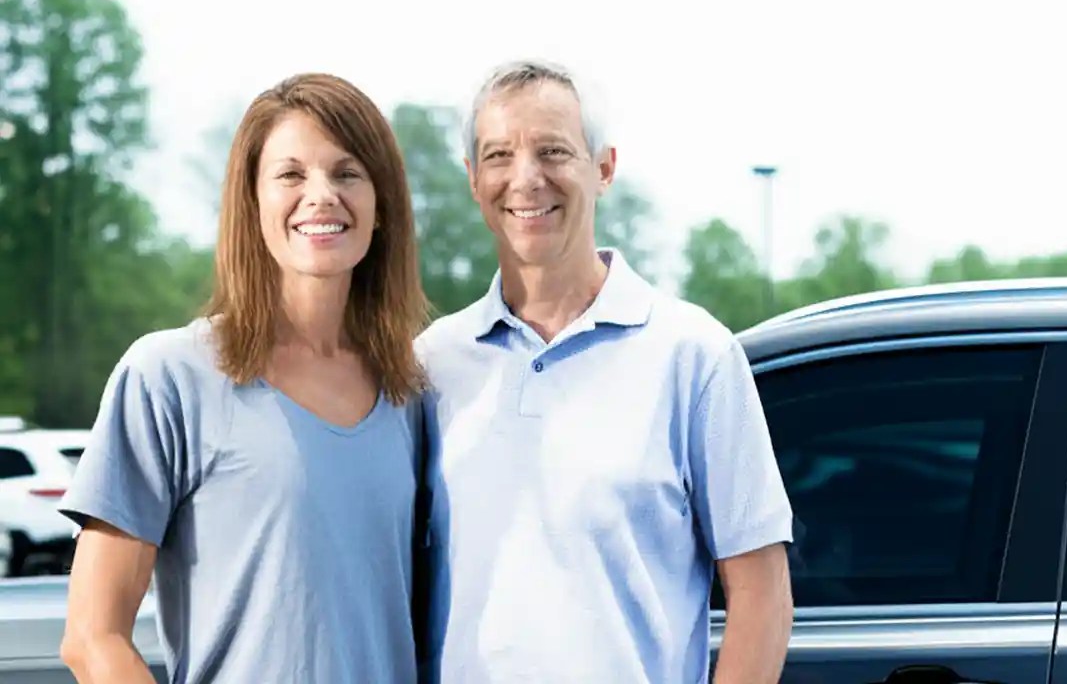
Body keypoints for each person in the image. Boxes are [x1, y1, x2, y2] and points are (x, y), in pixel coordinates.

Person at [417, 60, 794, 683]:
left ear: (604, 168)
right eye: (499, 156)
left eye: (553, 151)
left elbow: (761, 594)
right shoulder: (431, 365)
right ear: (472, 178)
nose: (526, 179)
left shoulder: (694, 356)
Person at [58, 72, 431, 683]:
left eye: (347, 173)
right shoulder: (168, 377)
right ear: (251, 204)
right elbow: (93, 639)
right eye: (291, 175)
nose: (322, 195)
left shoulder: (411, 395)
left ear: (381, 205)